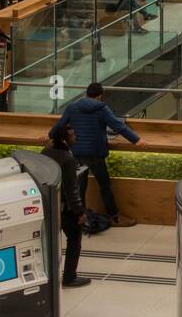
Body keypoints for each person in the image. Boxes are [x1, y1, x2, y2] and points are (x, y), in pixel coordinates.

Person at [49, 83, 141, 228]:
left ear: (87, 93)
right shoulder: (101, 108)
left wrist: (49, 135)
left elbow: (58, 127)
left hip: (76, 152)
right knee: (104, 185)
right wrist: (137, 140)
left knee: (79, 186)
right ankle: (115, 217)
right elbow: (118, 126)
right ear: (100, 96)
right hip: (95, 153)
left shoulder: (72, 107)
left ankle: (80, 218)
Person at [42, 122, 90, 287]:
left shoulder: (45, 153)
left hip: (48, 205)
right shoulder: (68, 159)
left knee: (49, 242)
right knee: (74, 240)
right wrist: (80, 211)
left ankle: (47, 276)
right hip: (66, 209)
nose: (75, 137)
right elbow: (71, 189)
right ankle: (70, 276)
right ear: (64, 140)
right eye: (72, 135)